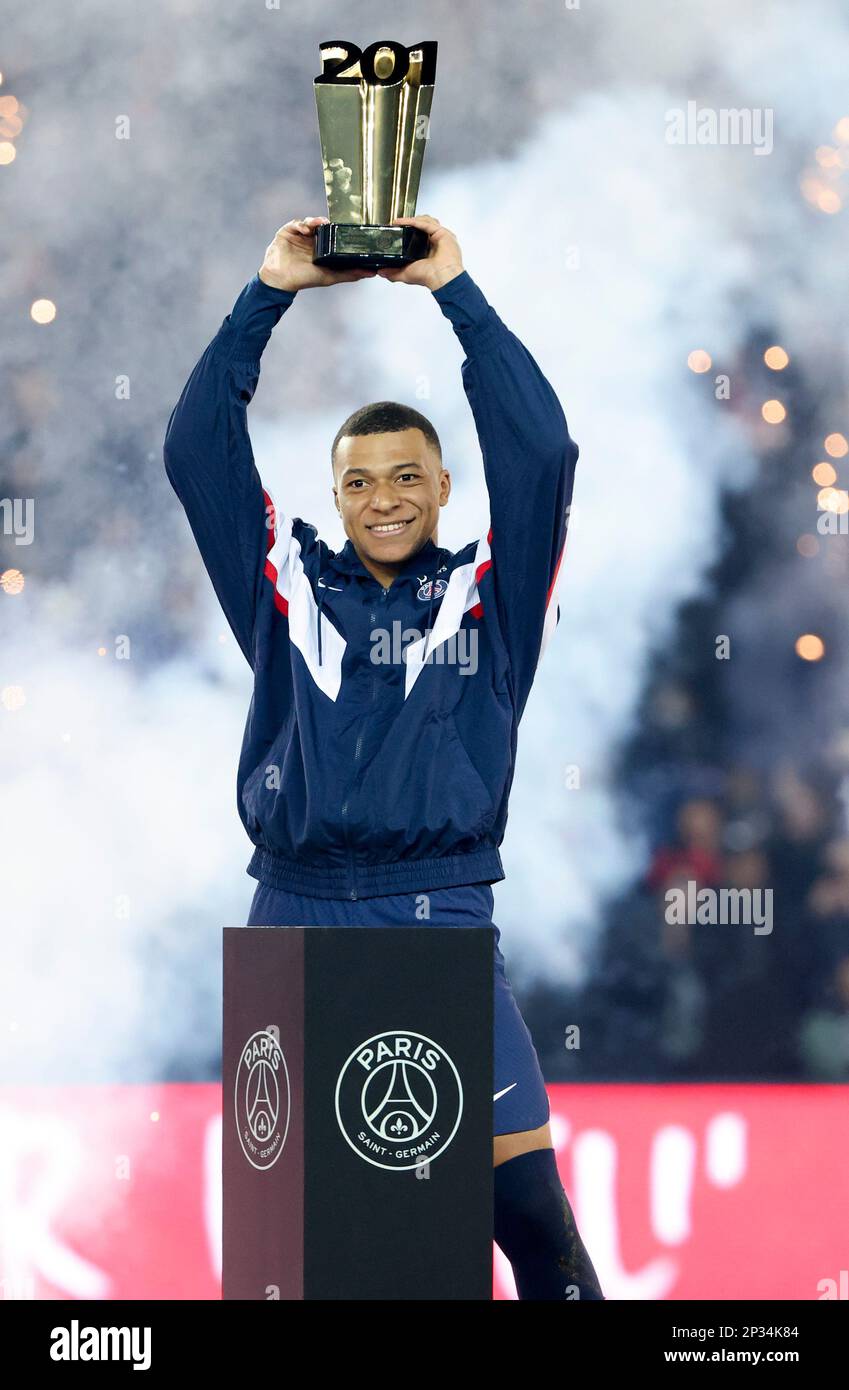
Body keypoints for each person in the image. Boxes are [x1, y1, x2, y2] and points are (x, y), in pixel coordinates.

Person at [164, 213, 604, 1300]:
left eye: (408, 476)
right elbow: (193, 452)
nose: (385, 499)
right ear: (337, 495)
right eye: (359, 481)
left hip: (436, 917)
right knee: (303, 1252)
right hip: (293, 918)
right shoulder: (285, 593)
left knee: (530, 1219)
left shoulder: (490, 604)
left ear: (445, 486)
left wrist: (456, 292)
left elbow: (542, 452)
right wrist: (268, 293)